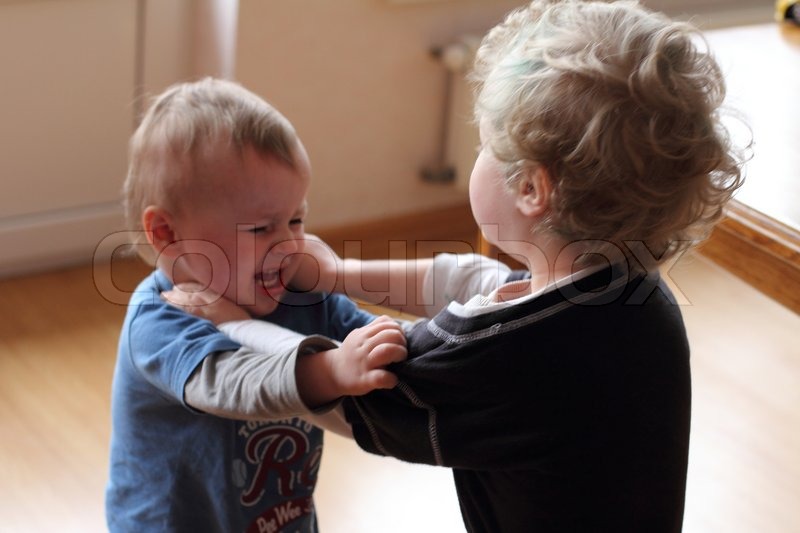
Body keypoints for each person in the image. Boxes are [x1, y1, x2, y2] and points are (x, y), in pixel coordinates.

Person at [169, 1, 746, 531]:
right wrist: (339, 273)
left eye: (486, 146)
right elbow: (484, 285)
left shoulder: (502, 352)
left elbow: (352, 393)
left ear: (531, 188)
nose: (480, 156)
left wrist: (231, 325)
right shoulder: (634, 291)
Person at [105, 78, 408, 532]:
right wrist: (331, 370)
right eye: (262, 229)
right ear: (167, 234)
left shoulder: (299, 290)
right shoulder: (163, 317)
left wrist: (407, 345)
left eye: (296, 219)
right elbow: (232, 385)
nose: (288, 244)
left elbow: (366, 339)